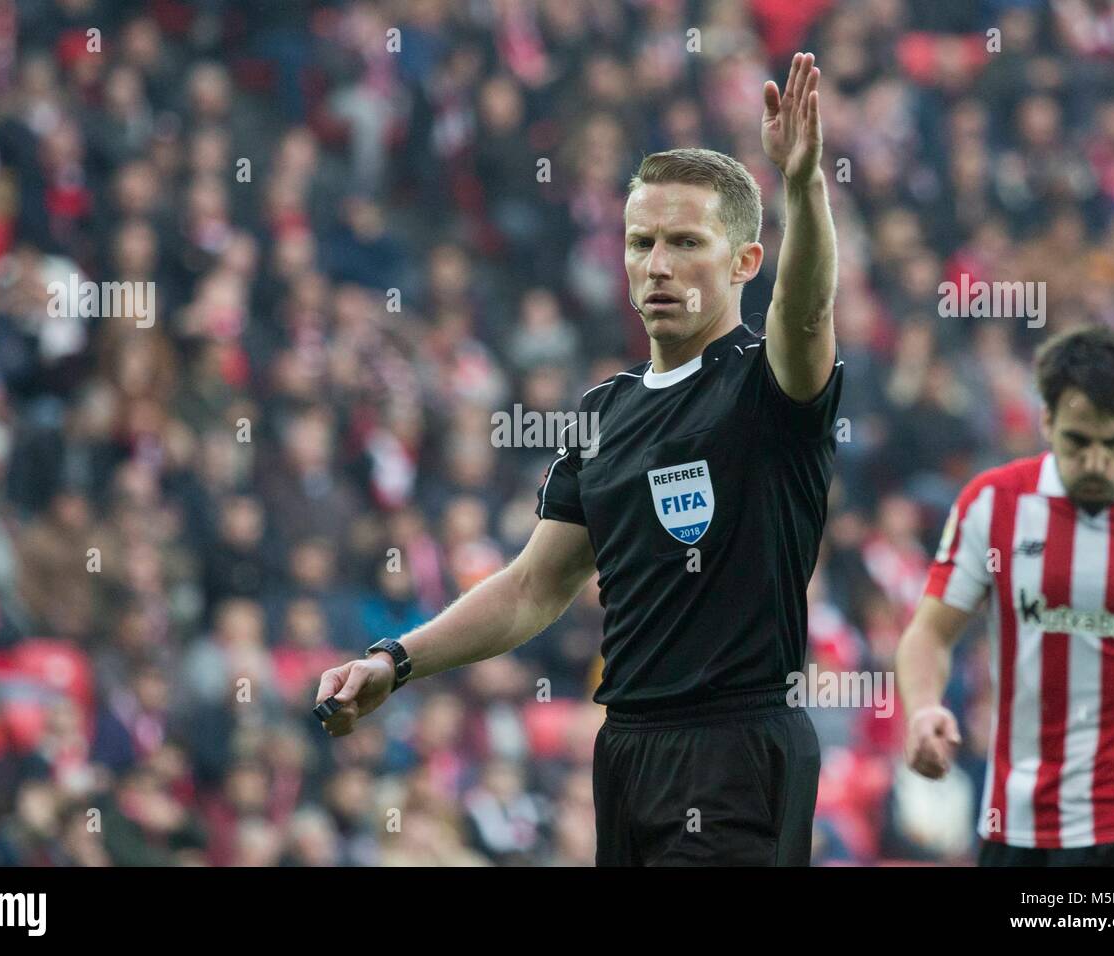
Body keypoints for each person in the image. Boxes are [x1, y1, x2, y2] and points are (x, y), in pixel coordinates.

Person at [315, 52, 842, 866]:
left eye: (685, 242)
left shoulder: (766, 386)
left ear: (744, 262)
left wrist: (803, 187)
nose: (657, 264)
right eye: (642, 242)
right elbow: (533, 586)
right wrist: (396, 659)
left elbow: (805, 316)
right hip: (626, 751)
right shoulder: (605, 410)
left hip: (737, 751)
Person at [897, 324, 1114, 866]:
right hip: (1021, 825)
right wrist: (921, 709)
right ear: (1047, 421)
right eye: (1078, 442)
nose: (1097, 462)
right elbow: (930, 633)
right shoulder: (993, 504)